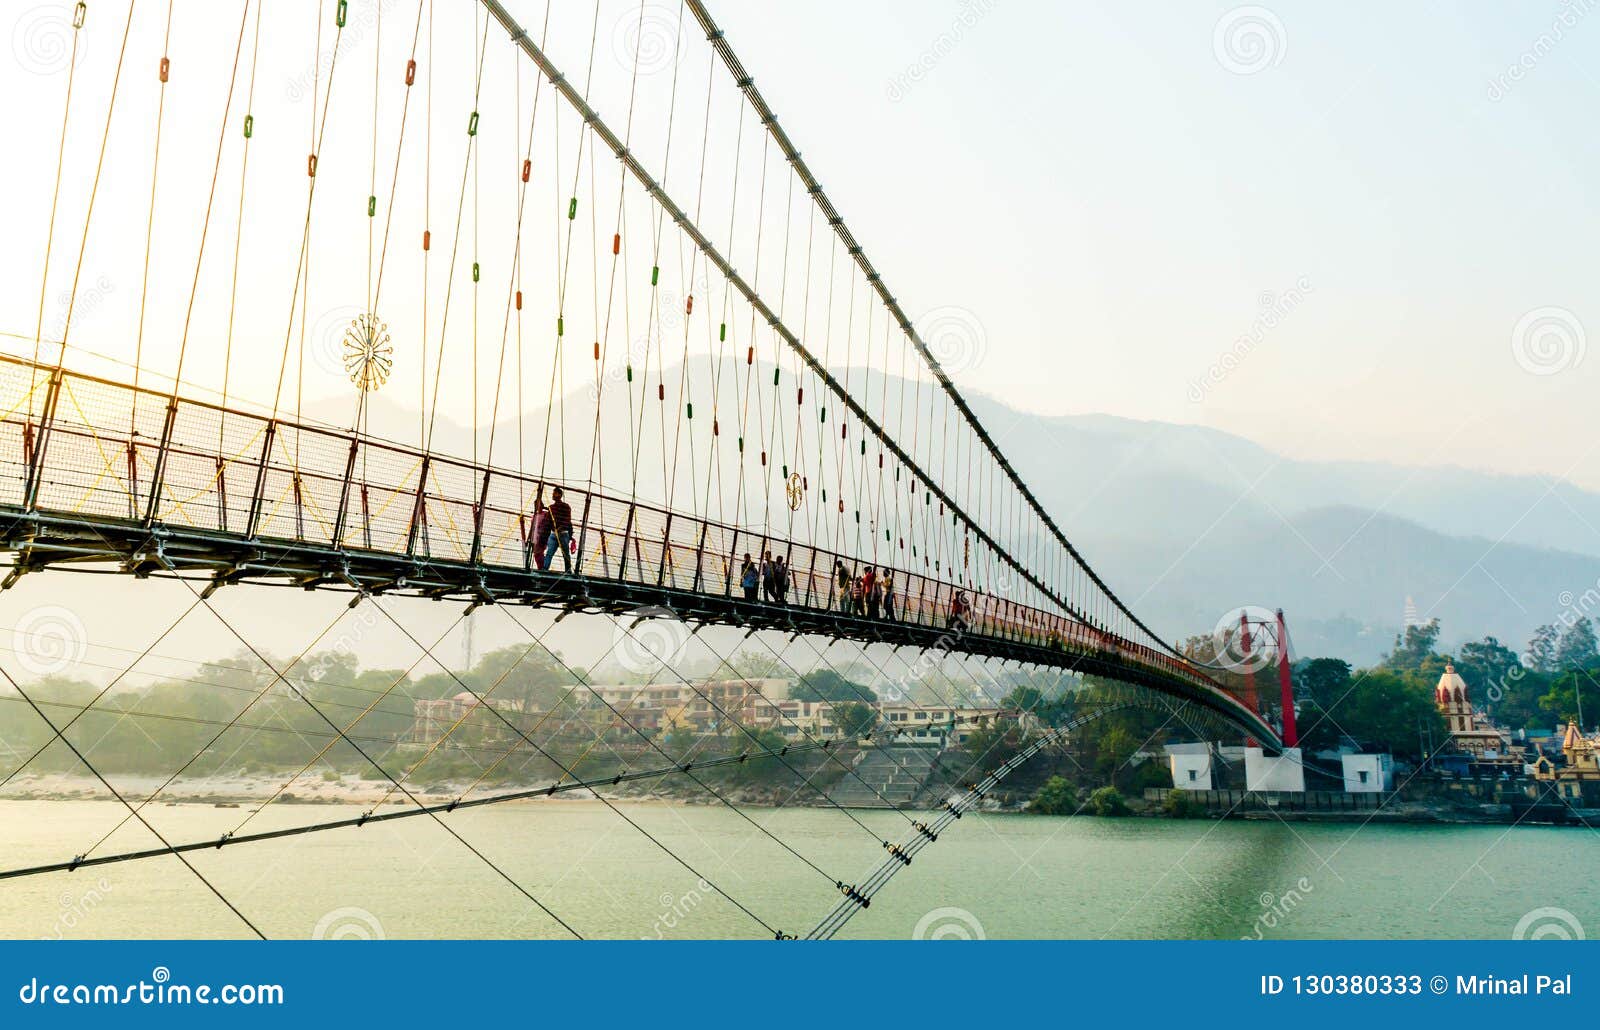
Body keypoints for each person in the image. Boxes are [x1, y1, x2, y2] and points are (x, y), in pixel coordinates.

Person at [541, 486, 575, 573]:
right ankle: (545, 569)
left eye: (554, 493)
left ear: (559, 495)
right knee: (550, 553)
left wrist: (560, 527)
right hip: (555, 534)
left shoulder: (565, 507)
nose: (552, 494)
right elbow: (549, 523)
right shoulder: (551, 508)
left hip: (562, 533)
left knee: (565, 554)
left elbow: (567, 519)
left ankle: (568, 571)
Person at [530, 501, 552, 572]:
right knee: (537, 554)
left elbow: (548, 524)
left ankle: (542, 569)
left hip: (542, 538)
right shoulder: (534, 516)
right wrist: (529, 538)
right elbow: (532, 528)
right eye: (536, 505)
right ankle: (542, 568)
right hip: (534, 538)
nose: (538, 507)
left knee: (538, 554)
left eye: (539, 505)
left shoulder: (545, 514)